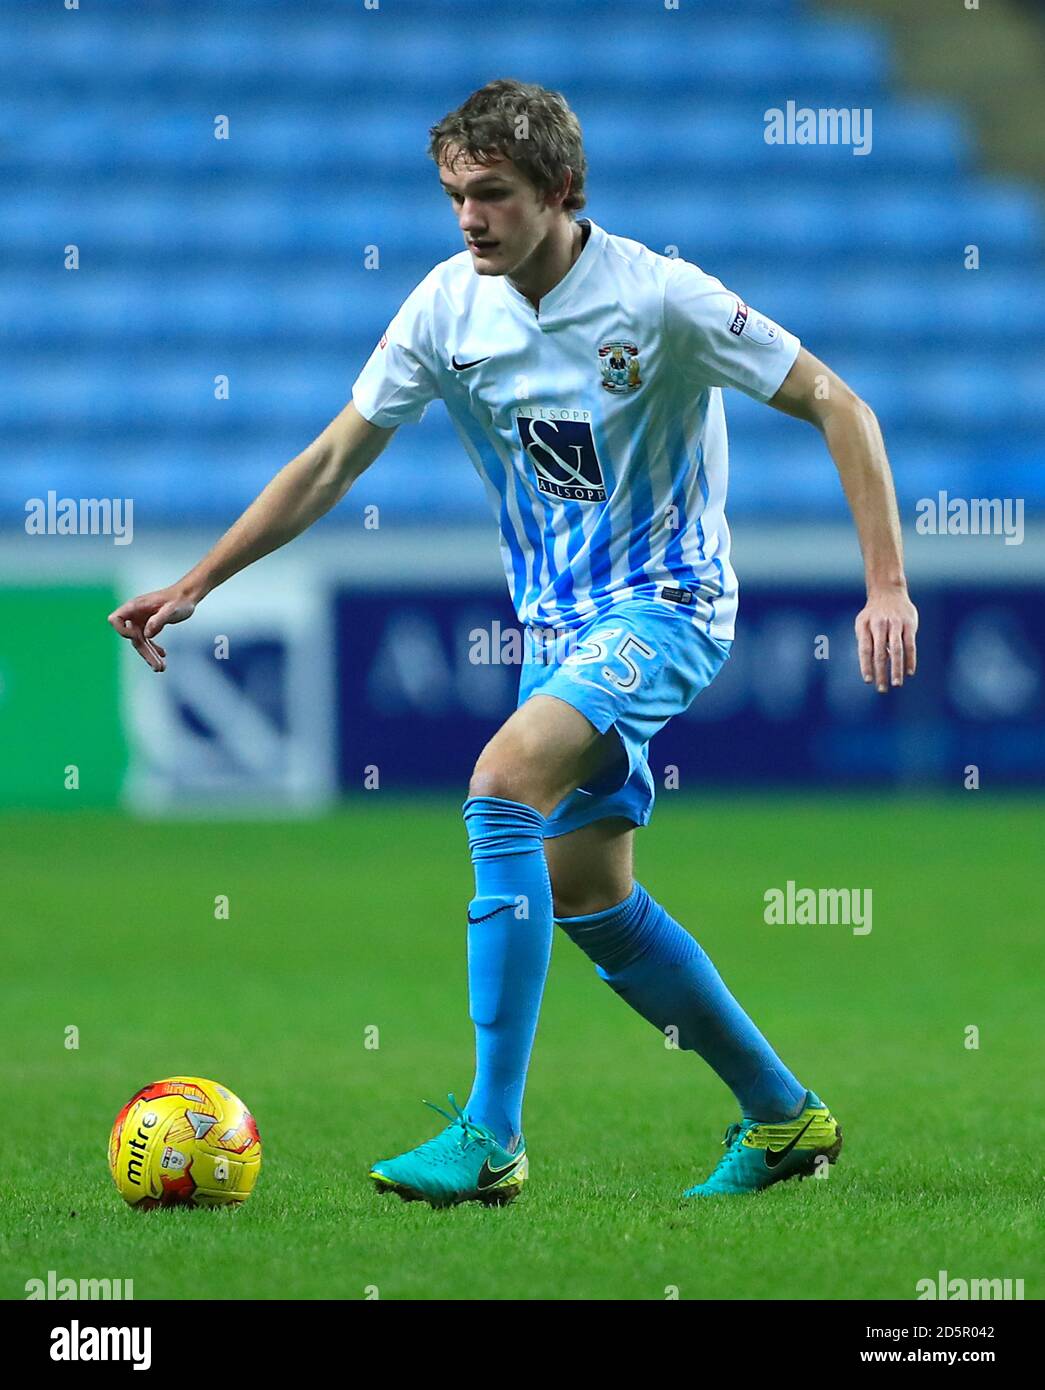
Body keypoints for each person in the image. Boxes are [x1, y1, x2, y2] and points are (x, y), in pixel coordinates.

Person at [109, 78, 918, 1206]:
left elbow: (841, 404)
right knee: (587, 894)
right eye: (454, 196)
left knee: (499, 785)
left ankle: (491, 1136)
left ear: (562, 192)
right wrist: (200, 580)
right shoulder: (450, 306)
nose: (469, 219)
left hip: (668, 604)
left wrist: (884, 585)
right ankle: (785, 1119)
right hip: (553, 628)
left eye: (491, 194)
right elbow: (332, 460)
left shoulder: (662, 297)